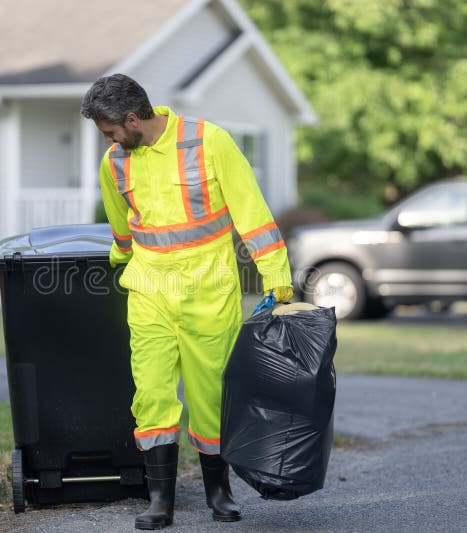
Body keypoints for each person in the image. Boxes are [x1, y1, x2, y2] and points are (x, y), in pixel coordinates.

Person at [81, 74, 293, 530]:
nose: (110, 140)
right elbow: (123, 227)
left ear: (132, 119)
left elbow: (252, 214)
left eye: (111, 131)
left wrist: (277, 279)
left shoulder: (208, 142)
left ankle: (219, 491)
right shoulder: (115, 163)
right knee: (152, 394)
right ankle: (161, 501)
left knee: (210, 395)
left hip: (209, 293)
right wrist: (119, 259)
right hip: (149, 293)